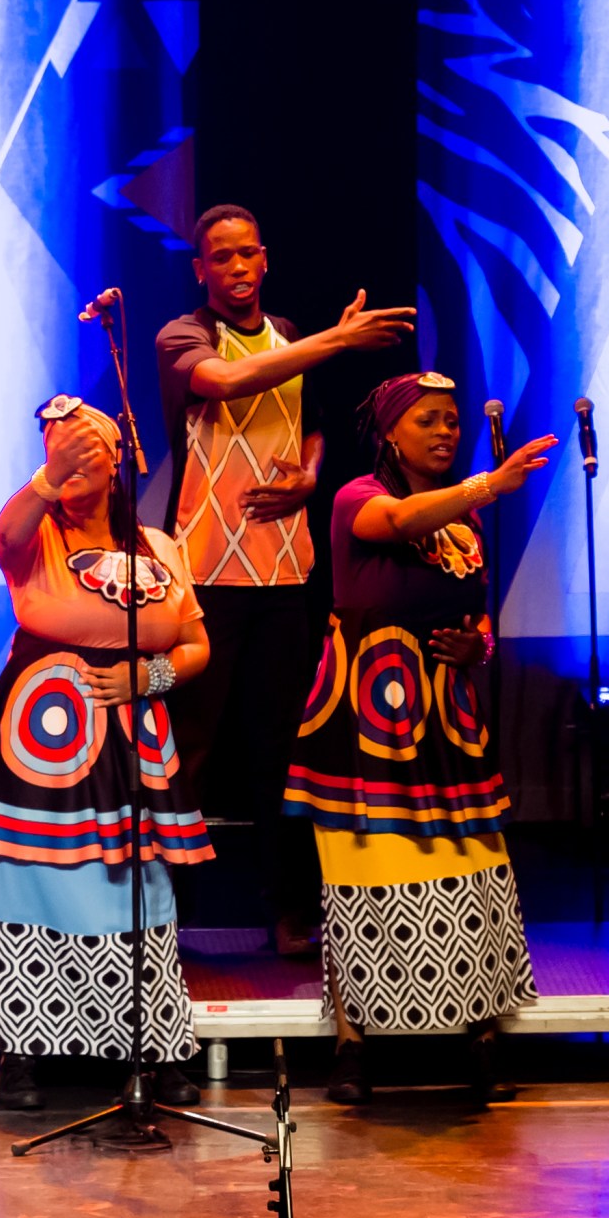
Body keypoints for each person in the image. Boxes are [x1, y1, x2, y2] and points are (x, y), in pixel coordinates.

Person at [284, 374, 554, 1106]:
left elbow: (477, 616)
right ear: (392, 432)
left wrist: (479, 648)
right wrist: (488, 485)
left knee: (472, 875)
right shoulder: (356, 497)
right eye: (429, 420)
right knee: (360, 879)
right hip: (366, 717)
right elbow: (397, 523)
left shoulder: (462, 529)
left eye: (452, 420)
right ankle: (352, 1046)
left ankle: (483, 1039)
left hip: (444, 721)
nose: (444, 431)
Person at [156, 206, 414, 958]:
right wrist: (337, 339)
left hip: (283, 571)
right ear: (201, 268)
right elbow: (228, 380)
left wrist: (308, 475)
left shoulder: (293, 335)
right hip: (202, 573)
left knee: (284, 750)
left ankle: (291, 907)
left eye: (248, 254)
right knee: (191, 749)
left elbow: (314, 418)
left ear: (264, 259)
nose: (236, 268)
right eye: (220, 258)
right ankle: (168, 912)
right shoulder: (185, 334)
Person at [0, 398, 214, 1112]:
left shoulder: (160, 547)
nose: (67, 456)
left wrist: (150, 674)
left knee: (139, 887)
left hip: (133, 731)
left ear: (116, 457)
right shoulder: (32, 536)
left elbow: (196, 644)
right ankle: (21, 1051)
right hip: (38, 736)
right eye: (52, 447)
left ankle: (154, 1044)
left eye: (81, 446)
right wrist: (48, 478)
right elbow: (5, 530)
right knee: (27, 879)